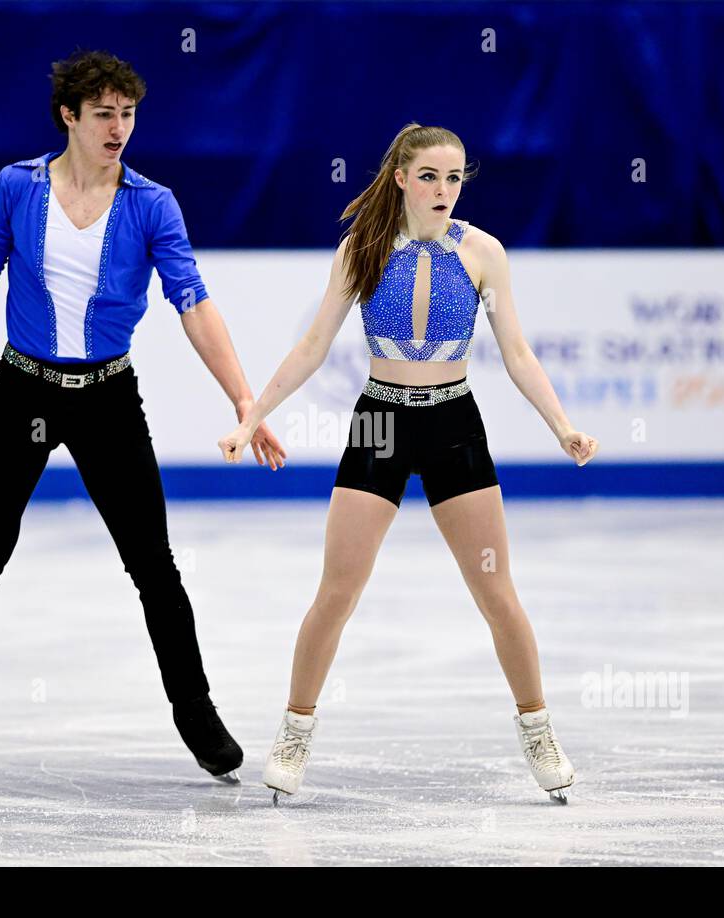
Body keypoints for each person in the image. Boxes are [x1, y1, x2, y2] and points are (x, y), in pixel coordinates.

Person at [0, 50, 285, 784]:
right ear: (68, 117)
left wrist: (245, 398)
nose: (119, 127)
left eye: (128, 113)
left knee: (155, 566)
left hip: (108, 399)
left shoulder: (152, 203)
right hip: (23, 393)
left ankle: (194, 711)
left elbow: (193, 302)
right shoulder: (15, 189)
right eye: (103, 113)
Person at [218, 123, 598, 803]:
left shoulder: (484, 253)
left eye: (454, 178)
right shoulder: (360, 249)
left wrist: (562, 425)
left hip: (454, 424)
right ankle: (294, 733)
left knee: (496, 593)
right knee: (338, 590)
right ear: (400, 178)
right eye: (429, 176)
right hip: (383, 424)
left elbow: (517, 354)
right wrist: (252, 417)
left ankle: (538, 730)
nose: (443, 190)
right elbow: (311, 347)